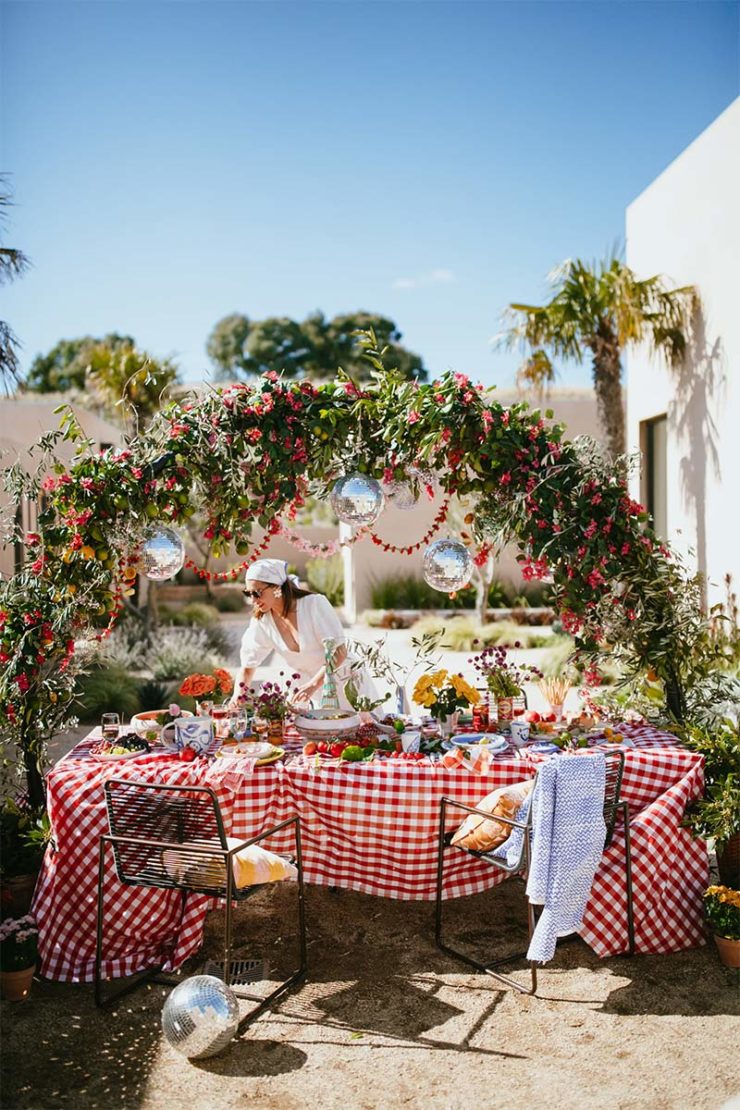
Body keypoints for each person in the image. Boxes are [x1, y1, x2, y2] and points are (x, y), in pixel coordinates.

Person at [230, 558, 369, 711]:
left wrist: (313, 685)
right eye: (248, 593)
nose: (253, 600)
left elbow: (339, 651)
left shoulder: (314, 604)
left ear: (276, 587)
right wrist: (237, 696)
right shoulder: (262, 621)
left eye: (257, 593)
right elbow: (248, 665)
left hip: (348, 686)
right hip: (314, 693)